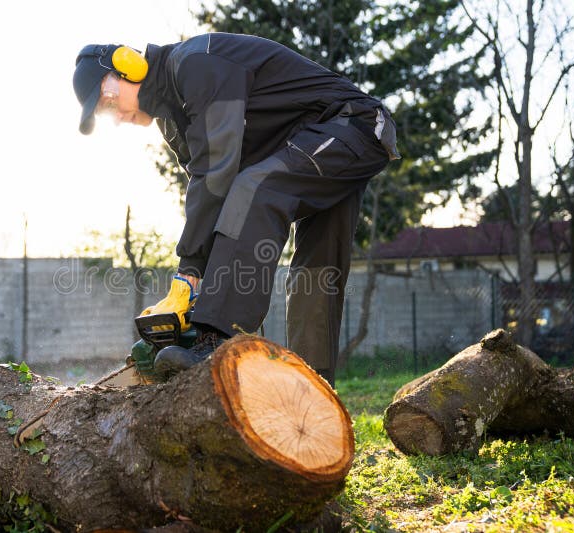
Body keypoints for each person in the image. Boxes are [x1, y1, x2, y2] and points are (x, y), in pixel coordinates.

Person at [72, 33, 400, 383]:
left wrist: (189, 272)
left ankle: (218, 338)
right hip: (311, 144)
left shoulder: (197, 63)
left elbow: (217, 174)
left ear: (129, 65)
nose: (117, 117)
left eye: (108, 102)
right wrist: (195, 287)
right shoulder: (173, 122)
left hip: (352, 124)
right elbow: (215, 202)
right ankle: (310, 387)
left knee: (259, 186)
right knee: (314, 273)